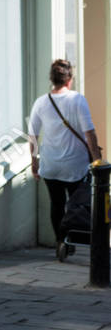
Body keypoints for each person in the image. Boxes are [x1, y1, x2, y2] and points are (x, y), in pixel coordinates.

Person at [28, 59, 102, 260]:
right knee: (77, 205)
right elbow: (90, 133)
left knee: (56, 204)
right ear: (69, 79)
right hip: (75, 165)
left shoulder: (41, 102)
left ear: (52, 79)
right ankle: (73, 239)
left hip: (50, 165)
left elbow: (33, 135)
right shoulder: (77, 99)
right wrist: (97, 161)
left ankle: (60, 241)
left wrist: (34, 162)